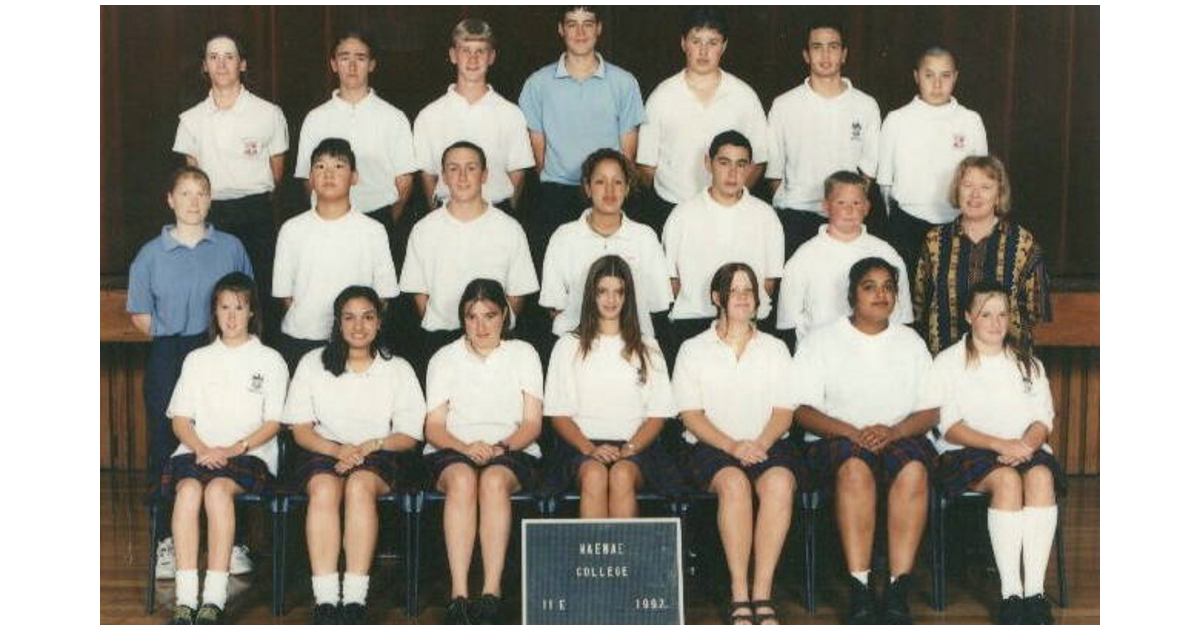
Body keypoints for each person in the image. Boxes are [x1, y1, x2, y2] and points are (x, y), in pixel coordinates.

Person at [792, 257, 939, 624]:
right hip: (837, 438)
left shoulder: (911, 342)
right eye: (870, 286)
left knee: (914, 470)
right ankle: (859, 588)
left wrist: (894, 431)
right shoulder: (822, 341)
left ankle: (896, 588)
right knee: (855, 469)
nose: (881, 294)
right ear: (851, 294)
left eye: (889, 286)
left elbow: (931, 411)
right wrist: (851, 432)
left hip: (898, 434)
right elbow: (801, 410)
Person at [127, 166, 255, 581]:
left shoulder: (230, 247)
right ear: (170, 199)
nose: (193, 201)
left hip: (222, 349)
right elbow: (142, 316)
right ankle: (168, 540)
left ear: (210, 198)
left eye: (201, 193)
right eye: (185, 193)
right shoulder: (150, 254)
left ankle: (235, 542)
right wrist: (174, 340)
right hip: (171, 351)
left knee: (229, 432)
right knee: (167, 445)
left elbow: (244, 300)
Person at [283, 286, 425, 624]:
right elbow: (300, 430)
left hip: (378, 454)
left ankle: (355, 600)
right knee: (325, 489)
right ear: (338, 323)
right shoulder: (313, 363)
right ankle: (326, 599)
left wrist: (371, 446)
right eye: (349, 317)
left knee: (359, 486)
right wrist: (338, 450)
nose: (358, 326)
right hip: (325, 451)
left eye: (367, 317)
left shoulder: (398, 368)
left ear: (379, 322)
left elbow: (409, 435)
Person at [673, 263, 798, 626]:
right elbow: (690, 414)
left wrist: (759, 443)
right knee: (734, 484)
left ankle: (763, 595)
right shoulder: (693, 349)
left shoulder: (775, 349)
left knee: (779, 483)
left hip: (766, 443)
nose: (743, 297)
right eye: (734, 290)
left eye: (749, 290)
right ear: (717, 298)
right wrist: (733, 447)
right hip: (711, 447)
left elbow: (783, 411)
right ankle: (739, 595)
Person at [160, 272, 287, 624]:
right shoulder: (197, 359)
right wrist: (202, 448)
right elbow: (180, 420)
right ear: (214, 312)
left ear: (251, 313)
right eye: (224, 307)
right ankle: (186, 599)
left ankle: (213, 598)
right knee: (187, 492)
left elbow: (273, 423)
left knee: (217, 492)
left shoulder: (270, 360)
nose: (231, 316)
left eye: (239, 307)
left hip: (249, 454)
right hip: (197, 451)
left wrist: (232, 449)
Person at [933, 280, 1061, 624]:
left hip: (1023, 448)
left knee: (1041, 476)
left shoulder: (1026, 362)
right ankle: (1011, 595)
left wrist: (1026, 446)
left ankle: (1034, 593)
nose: (995, 322)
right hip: (968, 450)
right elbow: (949, 425)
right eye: (986, 314)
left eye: (1002, 314)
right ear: (968, 317)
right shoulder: (948, 362)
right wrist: (1000, 445)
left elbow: (1042, 418)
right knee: (1007, 481)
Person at [422, 279, 544, 624]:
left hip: (511, 448)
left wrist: (499, 447)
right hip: (453, 449)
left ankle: (491, 591)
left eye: (489, 316)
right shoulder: (444, 357)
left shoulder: (524, 354)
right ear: (462, 319)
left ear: (504, 315)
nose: (481, 326)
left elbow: (532, 423)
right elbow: (434, 427)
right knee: (462, 479)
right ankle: (459, 594)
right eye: (471, 317)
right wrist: (465, 447)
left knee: (492, 481)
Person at [543, 256, 680, 517]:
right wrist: (590, 449)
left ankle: (624, 558)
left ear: (628, 297)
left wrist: (628, 449)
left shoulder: (648, 346)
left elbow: (658, 414)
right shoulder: (567, 346)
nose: (611, 300)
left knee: (621, 475)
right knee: (594, 475)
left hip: (636, 447)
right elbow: (558, 414)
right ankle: (594, 559)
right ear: (590, 295)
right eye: (603, 291)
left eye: (619, 292)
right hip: (580, 447)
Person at [173, 32, 288, 333]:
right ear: (204, 66)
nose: (221, 64)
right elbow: (193, 175)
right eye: (213, 57)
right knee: (214, 293)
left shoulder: (269, 114)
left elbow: (277, 172)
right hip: (214, 215)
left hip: (256, 213)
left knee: (259, 291)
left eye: (229, 56)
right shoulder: (191, 119)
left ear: (243, 64)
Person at [399, 141, 539, 380]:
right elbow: (419, 293)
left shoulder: (508, 228)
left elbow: (517, 292)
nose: (462, 177)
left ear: (484, 175)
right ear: (443, 176)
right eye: (453, 169)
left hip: (494, 341)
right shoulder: (424, 230)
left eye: (471, 168)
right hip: (440, 338)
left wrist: (491, 328)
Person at [518, 5, 645, 267]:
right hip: (556, 195)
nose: (580, 32)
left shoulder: (624, 82)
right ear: (561, 29)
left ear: (599, 28)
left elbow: (627, 153)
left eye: (587, 23)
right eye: (572, 24)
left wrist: (606, 187)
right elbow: (538, 152)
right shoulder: (537, 83)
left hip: (607, 194)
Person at [637, 7, 769, 238]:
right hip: (671, 207)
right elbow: (647, 166)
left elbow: (758, 160)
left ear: (724, 46)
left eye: (713, 42)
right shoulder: (662, 96)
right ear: (683, 43)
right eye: (696, 41)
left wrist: (728, 196)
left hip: (728, 211)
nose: (703, 51)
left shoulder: (744, 96)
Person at [273, 138, 400, 373]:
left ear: (354, 177)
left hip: (356, 343)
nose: (328, 174)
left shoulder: (373, 231)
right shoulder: (292, 229)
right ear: (310, 178)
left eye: (339, 166)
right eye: (320, 167)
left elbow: (383, 295)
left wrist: (356, 331)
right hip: (302, 338)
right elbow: (285, 295)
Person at [293, 30, 418, 264]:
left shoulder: (393, 117)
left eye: (360, 58)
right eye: (344, 57)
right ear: (333, 64)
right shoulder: (316, 118)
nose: (352, 66)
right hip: (327, 222)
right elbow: (307, 179)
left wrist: (383, 219)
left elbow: (405, 181)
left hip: (379, 218)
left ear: (371, 65)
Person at [662, 131, 784, 369]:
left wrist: (741, 315)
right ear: (708, 163)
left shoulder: (766, 216)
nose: (732, 173)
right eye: (724, 162)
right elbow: (671, 279)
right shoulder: (682, 215)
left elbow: (769, 281)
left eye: (741, 165)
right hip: (693, 322)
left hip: (749, 324)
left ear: (749, 168)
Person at [766, 21, 881, 260]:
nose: (826, 55)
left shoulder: (865, 105)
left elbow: (869, 170)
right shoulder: (784, 105)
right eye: (817, 47)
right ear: (806, 55)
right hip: (796, 218)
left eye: (833, 47)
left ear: (844, 54)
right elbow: (774, 173)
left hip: (845, 221)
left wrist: (847, 207)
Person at [914, 155, 1051, 355]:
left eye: (986, 187)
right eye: (967, 185)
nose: (975, 194)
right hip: (946, 364)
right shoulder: (934, 241)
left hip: (1005, 364)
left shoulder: (1023, 242)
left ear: (999, 195)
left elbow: (1036, 311)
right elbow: (920, 305)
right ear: (957, 190)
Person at [878, 45, 987, 277]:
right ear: (917, 76)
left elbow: (983, 179)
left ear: (955, 77)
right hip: (907, 225)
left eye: (945, 76)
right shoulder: (896, 120)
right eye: (929, 75)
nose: (937, 85)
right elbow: (885, 186)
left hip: (957, 224)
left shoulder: (970, 120)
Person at [540, 149, 673, 340]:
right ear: (587, 187)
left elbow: (656, 305)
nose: (610, 190)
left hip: (633, 343)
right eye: (600, 182)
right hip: (576, 344)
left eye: (617, 182)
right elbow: (555, 306)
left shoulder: (645, 238)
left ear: (627, 188)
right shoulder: (564, 237)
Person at [776, 171, 910, 353]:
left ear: (867, 207)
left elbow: (901, 318)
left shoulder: (887, 254)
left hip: (875, 354)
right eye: (841, 203)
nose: (849, 210)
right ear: (825, 206)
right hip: (821, 357)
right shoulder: (803, 258)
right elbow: (789, 321)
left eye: (856, 203)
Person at [414, 19, 535, 216]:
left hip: (496, 211)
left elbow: (517, 172)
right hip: (446, 212)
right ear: (453, 55)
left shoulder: (511, 113)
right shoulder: (429, 115)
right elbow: (428, 175)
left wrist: (499, 212)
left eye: (480, 51)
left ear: (492, 57)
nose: (473, 59)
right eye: (466, 51)